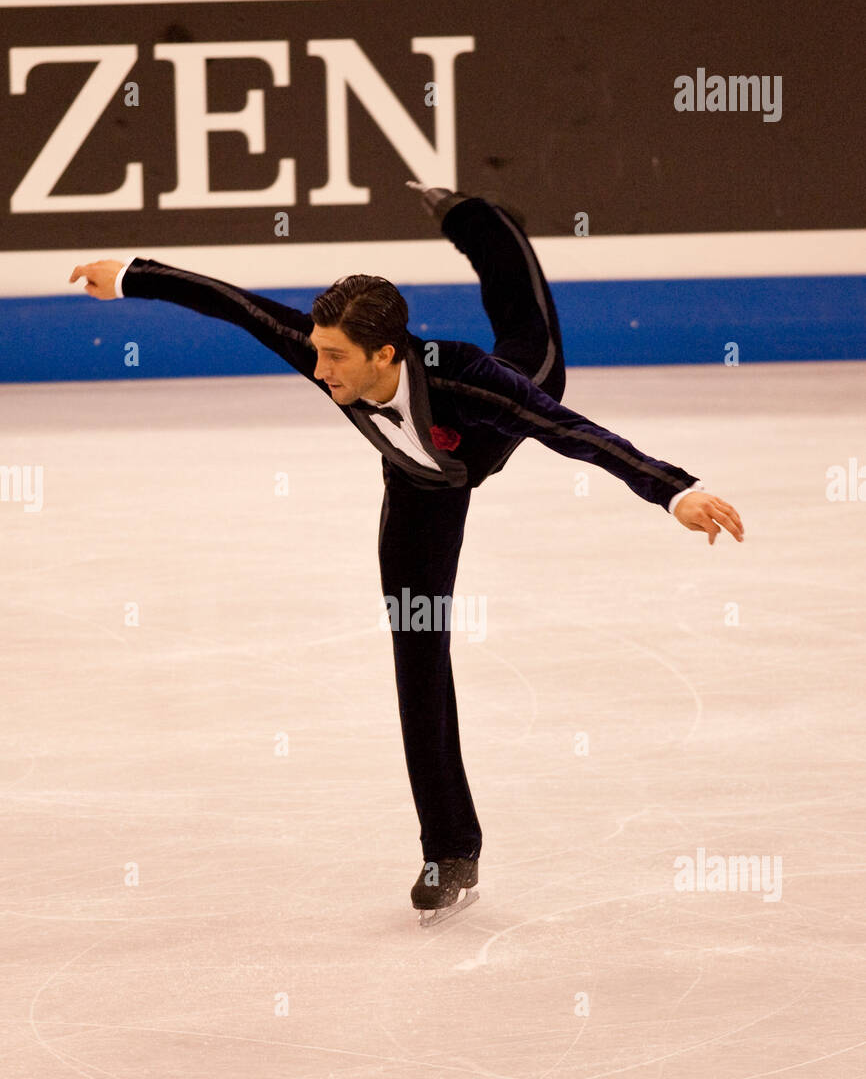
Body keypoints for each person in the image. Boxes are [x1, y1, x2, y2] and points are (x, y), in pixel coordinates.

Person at [70, 183, 744, 927]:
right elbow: (240, 305)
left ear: (385, 353)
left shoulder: (468, 379)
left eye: (335, 358)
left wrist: (676, 492)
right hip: (420, 491)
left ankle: (478, 218)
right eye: (318, 352)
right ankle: (451, 850)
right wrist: (132, 276)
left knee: (526, 322)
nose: (320, 371)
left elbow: (573, 432)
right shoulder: (324, 353)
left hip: (493, 424)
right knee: (418, 654)